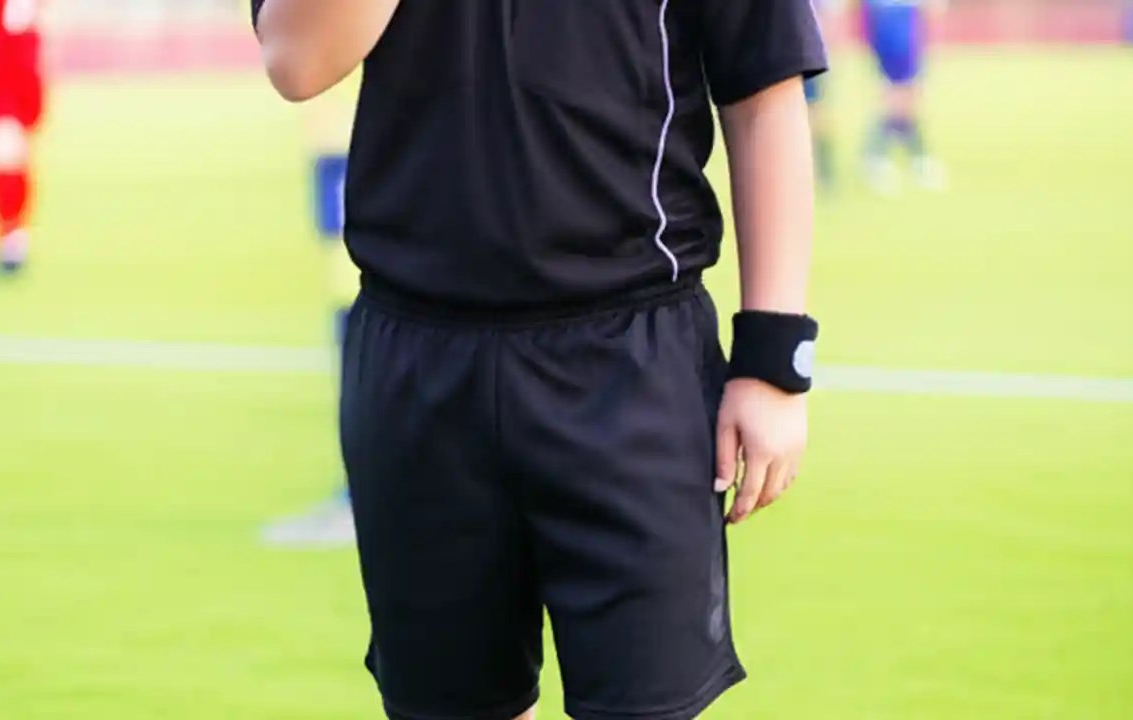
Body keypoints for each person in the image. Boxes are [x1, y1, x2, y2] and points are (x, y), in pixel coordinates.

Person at [255, 1, 825, 718]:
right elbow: (299, 62)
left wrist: (774, 362)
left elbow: (763, 90)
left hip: (633, 359)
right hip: (421, 356)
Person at [0, 0, 44, 273]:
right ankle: (9, 234)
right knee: (4, 151)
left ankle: (16, 230)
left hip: (27, 72)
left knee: (19, 157)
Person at [862, 0, 946, 193]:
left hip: (895, 17)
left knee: (904, 94)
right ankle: (882, 157)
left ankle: (911, 157)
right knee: (901, 95)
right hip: (896, 18)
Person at [807, 0, 847, 190]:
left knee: (816, 114)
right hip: (803, 55)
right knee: (812, 115)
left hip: (809, 55)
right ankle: (817, 170)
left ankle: (820, 170)